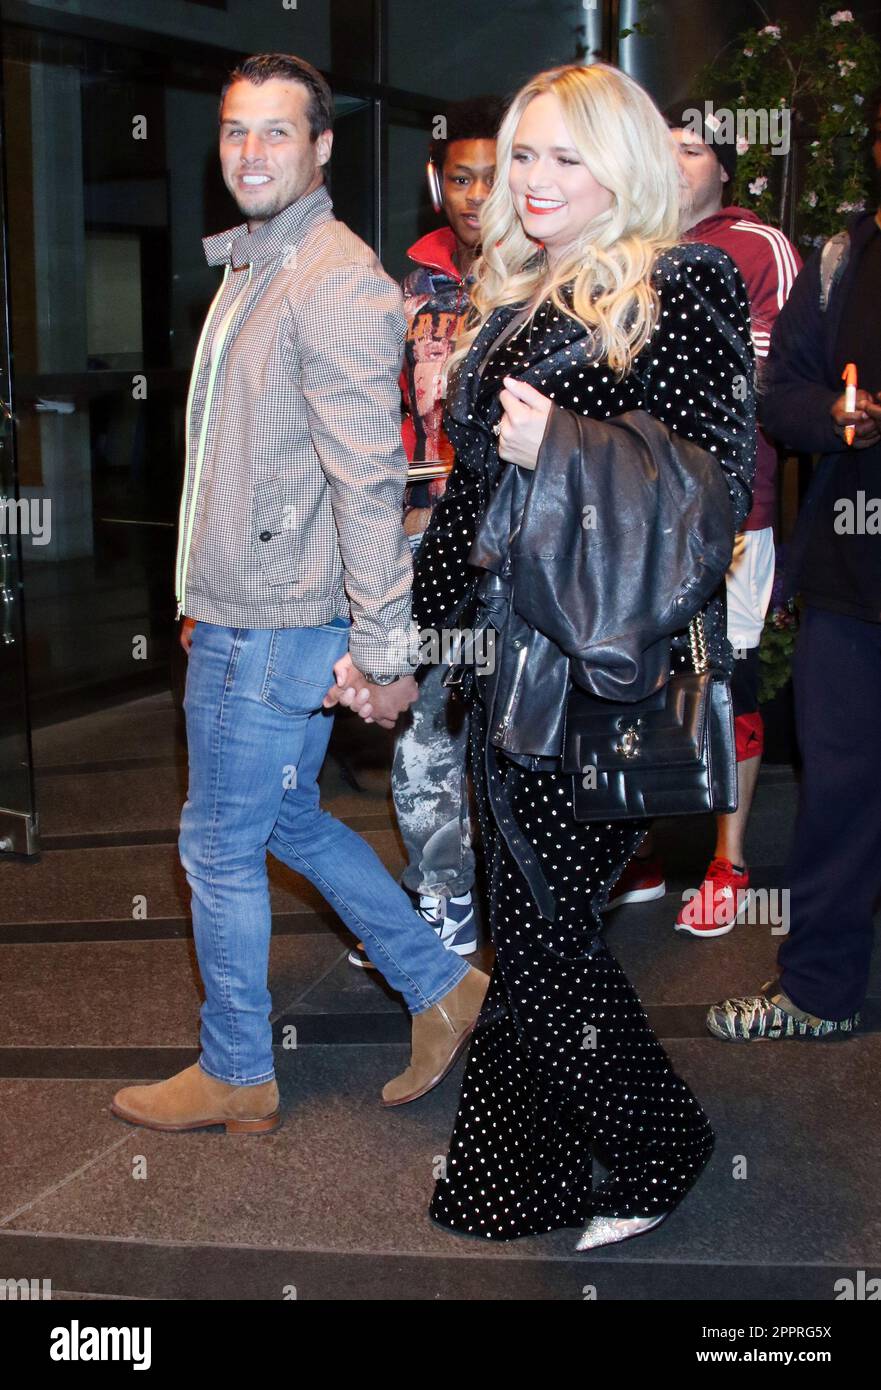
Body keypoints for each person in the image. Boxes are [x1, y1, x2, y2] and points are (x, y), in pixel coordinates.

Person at [341, 63, 755, 1248]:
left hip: (600, 674)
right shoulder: (516, 293)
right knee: (531, 929)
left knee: (541, 937)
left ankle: (653, 1143)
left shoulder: (684, 281)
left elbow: (708, 491)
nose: (530, 180)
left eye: (564, 157)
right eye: (521, 155)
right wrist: (413, 650)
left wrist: (561, 444)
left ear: (619, 164)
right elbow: (469, 508)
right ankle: (515, 1173)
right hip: (506, 672)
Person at [110, 52, 488, 1135]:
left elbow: (368, 479)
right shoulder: (259, 266)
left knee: (215, 846)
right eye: (236, 130)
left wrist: (382, 647)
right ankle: (442, 983)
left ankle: (237, 1067)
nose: (251, 152)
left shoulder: (331, 280)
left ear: (322, 147)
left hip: (275, 619)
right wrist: (199, 589)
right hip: (242, 603)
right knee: (280, 819)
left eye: (278, 132)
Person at [708, 88, 881, 1040]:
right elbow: (783, 397)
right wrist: (836, 419)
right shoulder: (842, 258)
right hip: (850, 583)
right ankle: (817, 991)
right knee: (840, 799)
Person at [612, 97, 801, 936]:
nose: (676, 163)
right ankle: (643, 851)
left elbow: (775, 381)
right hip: (630, 510)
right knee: (637, 676)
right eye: (663, 150)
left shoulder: (754, 246)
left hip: (730, 509)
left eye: (691, 151)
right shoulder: (622, 243)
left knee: (730, 674)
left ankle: (729, 861)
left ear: (724, 166)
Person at [349, 98, 503, 970]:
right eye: (460, 177)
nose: (476, 195)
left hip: (526, 552)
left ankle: (524, 896)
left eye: (493, 173)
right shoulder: (403, 291)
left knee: (520, 731)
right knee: (429, 727)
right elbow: (376, 418)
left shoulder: (555, 278)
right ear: (434, 183)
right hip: (431, 543)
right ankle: (442, 896)